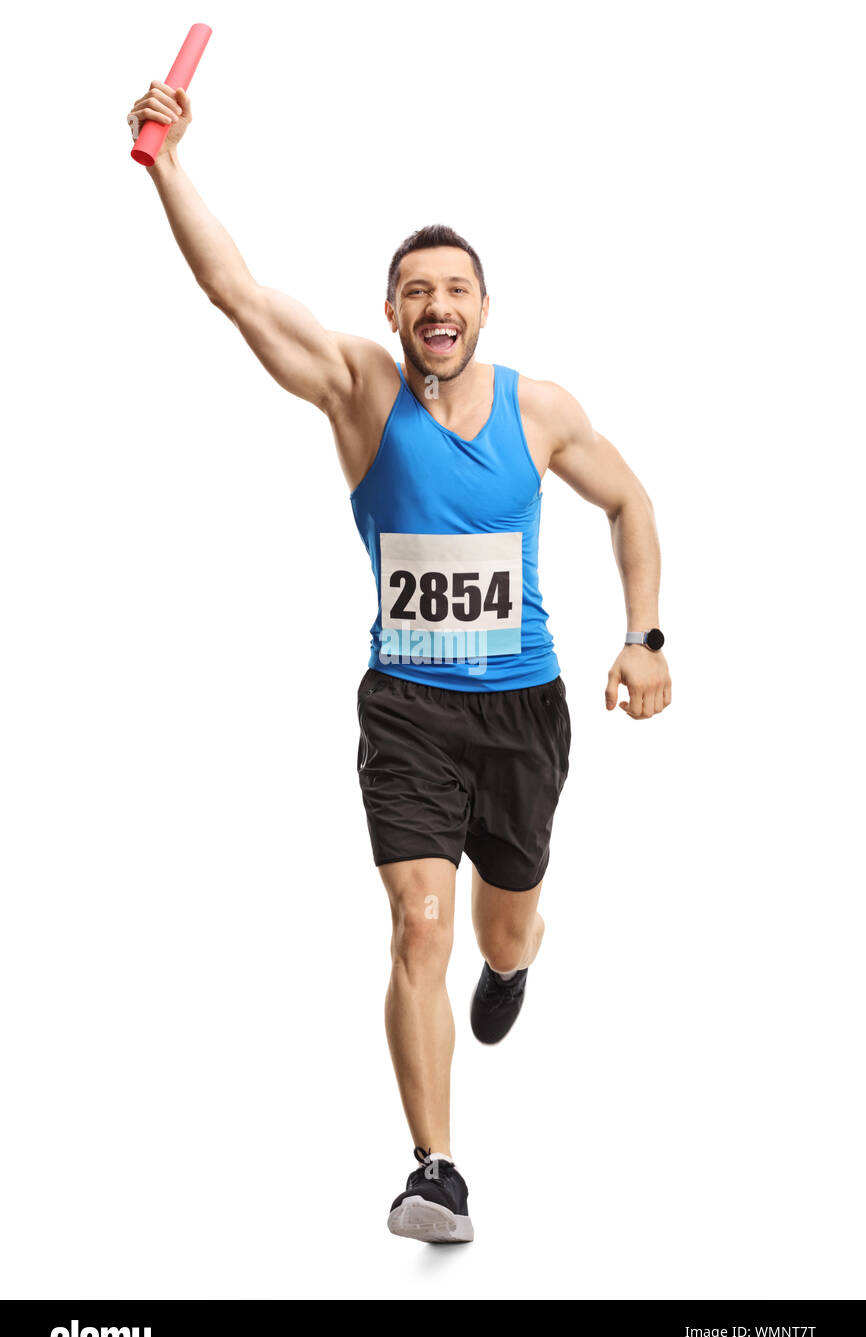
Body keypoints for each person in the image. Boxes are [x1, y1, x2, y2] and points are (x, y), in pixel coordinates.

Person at [128, 79, 672, 1245]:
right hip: (410, 710)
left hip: (526, 709)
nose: (437, 306)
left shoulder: (541, 410)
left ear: (482, 308)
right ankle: (435, 1168)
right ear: (390, 311)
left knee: (500, 929)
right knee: (421, 923)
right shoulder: (358, 391)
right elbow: (235, 291)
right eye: (415, 291)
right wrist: (166, 161)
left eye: (455, 290)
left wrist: (643, 635)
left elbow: (627, 502)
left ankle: (515, 963)